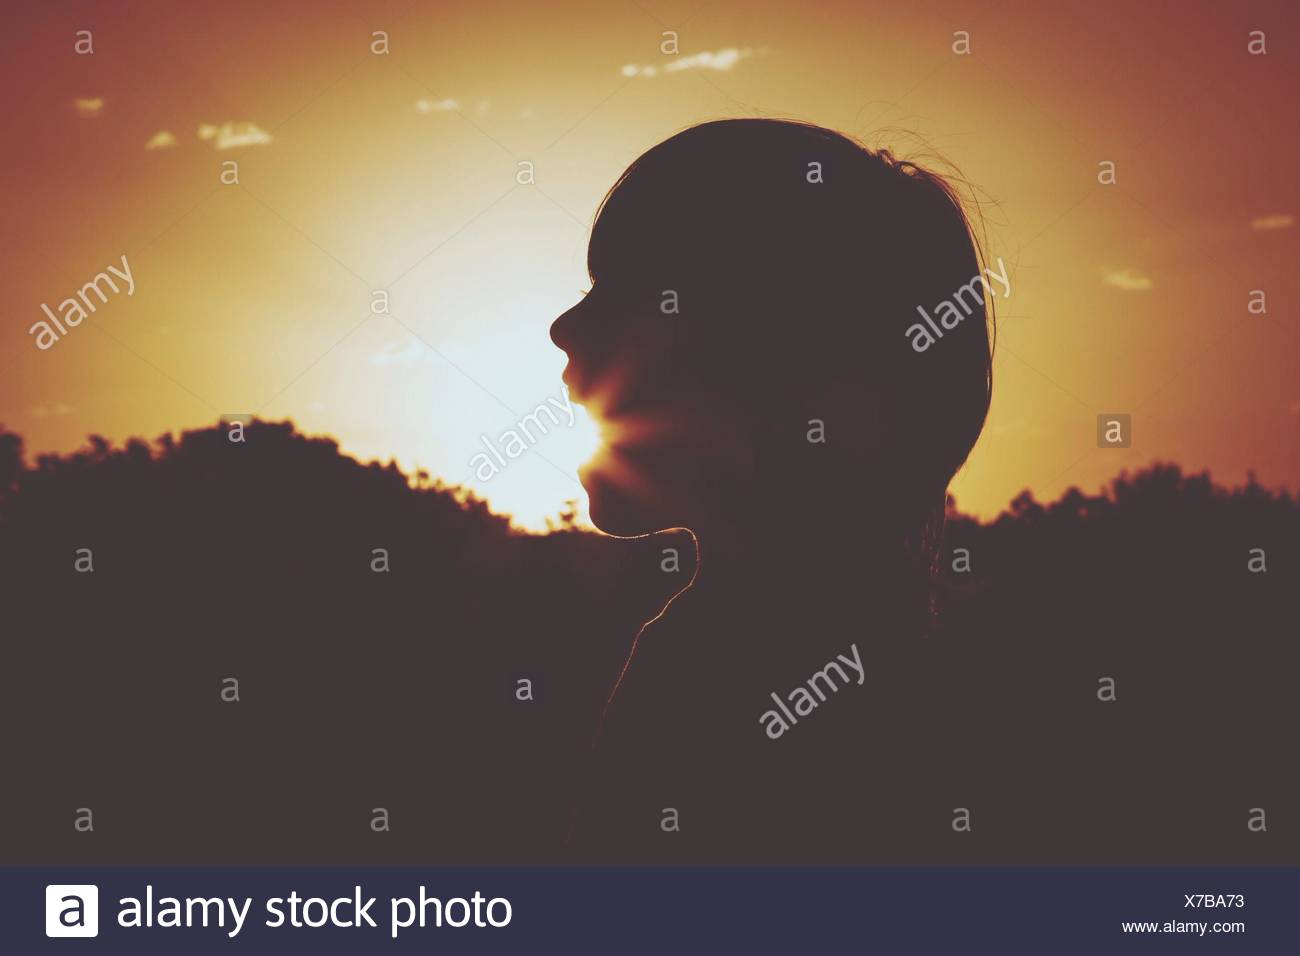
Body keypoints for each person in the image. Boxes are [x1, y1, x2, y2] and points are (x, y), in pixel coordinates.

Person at [549, 119, 993, 862]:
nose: (564, 327)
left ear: (767, 356)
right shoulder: (881, 663)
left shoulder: (715, 674)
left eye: (627, 292)